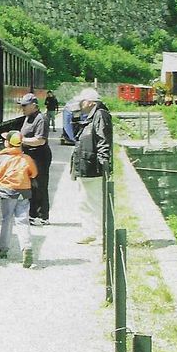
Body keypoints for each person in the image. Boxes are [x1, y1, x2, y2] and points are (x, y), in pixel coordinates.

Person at [0, 130, 37, 268]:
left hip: (7, 192)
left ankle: (3, 249)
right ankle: (27, 248)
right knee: (22, 221)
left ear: (7, 143)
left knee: (7, 219)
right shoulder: (26, 158)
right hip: (24, 192)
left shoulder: (2, 159)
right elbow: (34, 173)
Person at [74, 88, 113, 244]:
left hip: (93, 167)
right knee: (84, 201)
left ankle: (100, 234)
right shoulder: (90, 116)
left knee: (96, 201)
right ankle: (89, 232)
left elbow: (103, 139)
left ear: (90, 102)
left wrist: (104, 163)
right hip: (85, 166)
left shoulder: (100, 115)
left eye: (81, 101)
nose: (79, 104)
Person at [18, 93, 51, 226]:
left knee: (40, 185)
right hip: (29, 156)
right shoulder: (28, 118)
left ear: (34, 105)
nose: (22, 108)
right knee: (31, 186)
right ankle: (32, 214)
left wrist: (22, 140)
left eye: (25, 105)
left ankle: (42, 216)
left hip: (39, 156)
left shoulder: (40, 119)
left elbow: (40, 140)